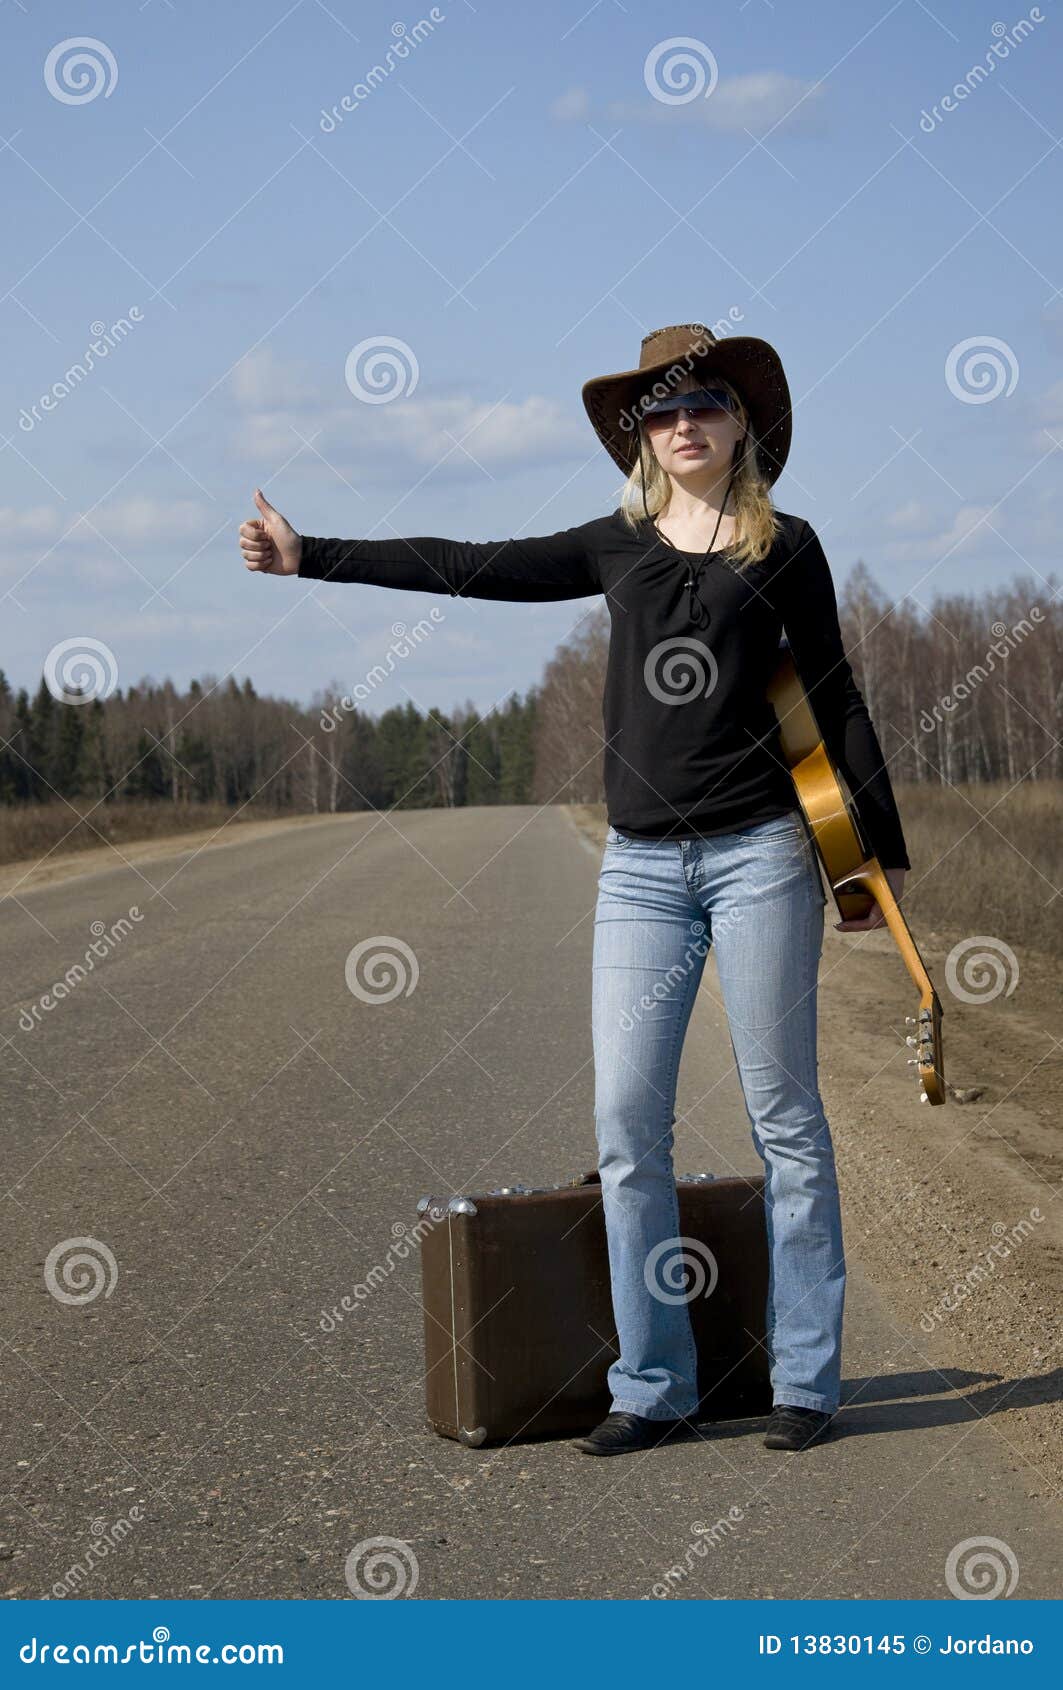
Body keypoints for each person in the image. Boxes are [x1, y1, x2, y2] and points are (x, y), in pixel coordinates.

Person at [237, 322, 909, 1458]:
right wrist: (314, 555)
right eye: (660, 409)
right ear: (640, 435)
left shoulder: (786, 548)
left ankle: (806, 1378)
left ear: (741, 422)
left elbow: (836, 697)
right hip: (642, 870)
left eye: (703, 404)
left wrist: (877, 858)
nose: (682, 421)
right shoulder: (617, 545)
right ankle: (653, 1384)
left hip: (759, 857)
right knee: (625, 1123)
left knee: (784, 1118)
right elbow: (471, 563)